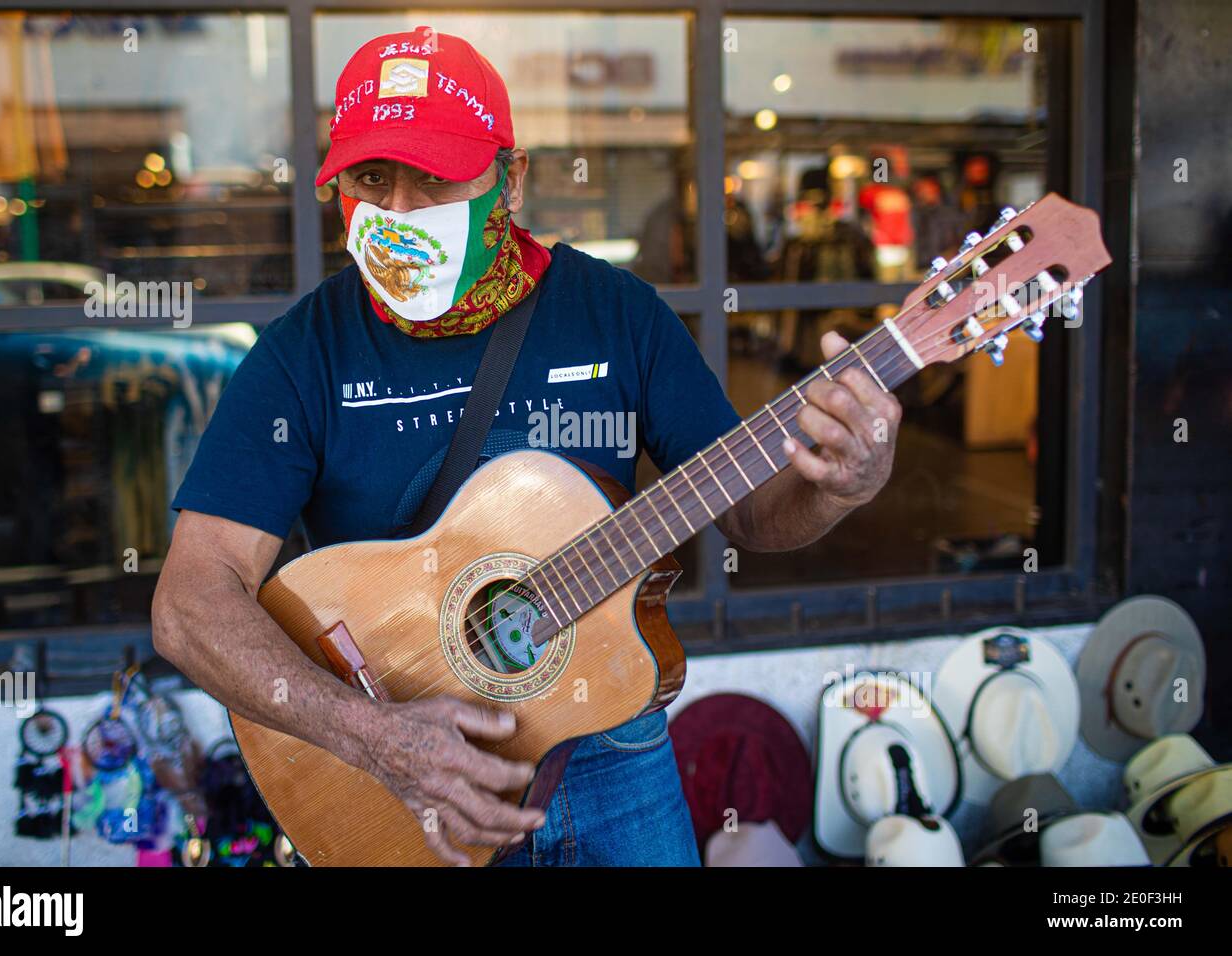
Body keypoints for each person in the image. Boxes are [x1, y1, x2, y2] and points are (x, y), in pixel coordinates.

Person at [151, 26, 902, 867]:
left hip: (613, 754)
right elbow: (188, 605)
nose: (398, 211)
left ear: (510, 182)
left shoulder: (616, 314)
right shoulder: (303, 352)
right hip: (397, 780)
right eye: (370, 178)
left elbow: (756, 515)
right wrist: (371, 737)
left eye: (434, 176)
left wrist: (840, 484)